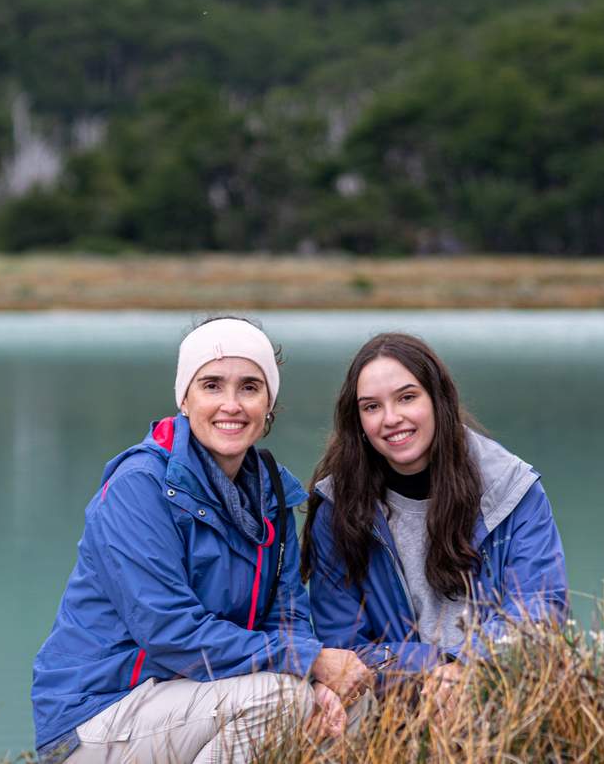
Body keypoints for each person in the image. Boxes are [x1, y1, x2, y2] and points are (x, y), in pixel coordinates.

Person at [32, 318, 369, 763]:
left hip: (196, 700)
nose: (231, 404)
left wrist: (315, 680)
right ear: (185, 400)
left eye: (250, 387)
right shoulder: (140, 488)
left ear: (269, 404)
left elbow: (286, 617)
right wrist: (310, 662)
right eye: (212, 385)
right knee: (282, 700)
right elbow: (171, 633)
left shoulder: (271, 495)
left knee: (352, 705)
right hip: (99, 714)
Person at [302, 332, 567, 702]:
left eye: (407, 397)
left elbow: (539, 612)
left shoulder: (510, 489)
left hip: (500, 691)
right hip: (392, 706)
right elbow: (344, 649)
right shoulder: (337, 508)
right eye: (371, 407)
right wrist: (437, 666)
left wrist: (467, 667)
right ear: (357, 420)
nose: (391, 419)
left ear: (438, 399)